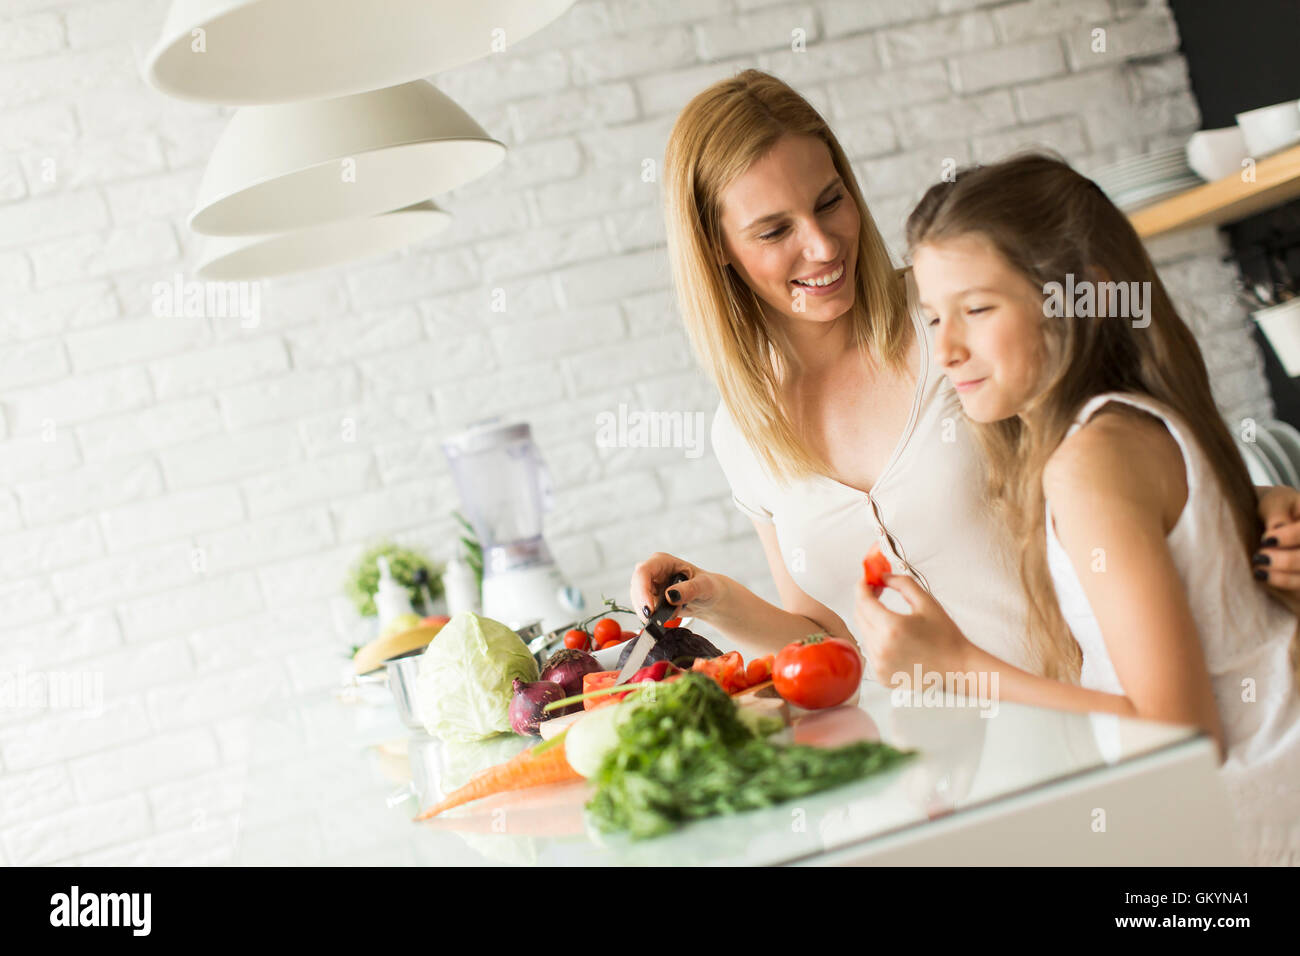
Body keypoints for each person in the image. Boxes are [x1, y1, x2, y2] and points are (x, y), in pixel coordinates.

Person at [630, 68, 1300, 681]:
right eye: (775, 231)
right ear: (716, 248)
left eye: (830, 201)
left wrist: (1252, 507)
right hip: (954, 775)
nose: (823, 244)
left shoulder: (953, 318)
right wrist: (718, 601)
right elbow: (830, 641)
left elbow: (1137, 440)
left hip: (1101, 708)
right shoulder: (742, 433)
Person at [858, 152, 1300, 865]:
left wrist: (957, 663)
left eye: (976, 308)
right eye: (934, 316)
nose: (945, 349)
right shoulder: (1132, 426)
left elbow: (1182, 742)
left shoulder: (1091, 461)